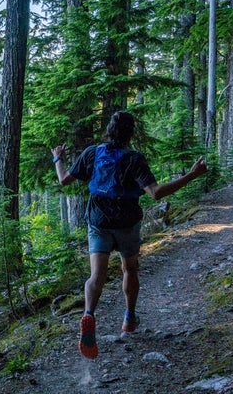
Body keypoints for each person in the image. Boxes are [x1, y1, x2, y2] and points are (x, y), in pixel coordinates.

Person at [51, 111, 208, 359]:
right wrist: (191, 175)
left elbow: (64, 180)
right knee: (129, 269)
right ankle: (128, 318)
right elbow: (155, 193)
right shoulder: (135, 159)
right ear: (131, 134)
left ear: (109, 131)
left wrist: (57, 158)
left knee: (96, 275)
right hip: (126, 222)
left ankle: (89, 314)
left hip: (99, 220)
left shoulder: (92, 153)